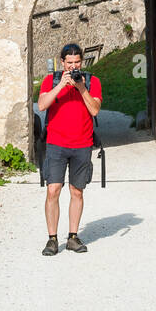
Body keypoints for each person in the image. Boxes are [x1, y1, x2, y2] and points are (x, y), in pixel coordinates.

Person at [37, 43, 102, 256]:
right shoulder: (51, 80)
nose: (73, 67)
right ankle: (52, 239)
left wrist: (81, 87)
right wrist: (61, 86)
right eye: (69, 63)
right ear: (62, 63)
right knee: (53, 189)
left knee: (77, 191)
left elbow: (94, 109)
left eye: (77, 63)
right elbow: (42, 105)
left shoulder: (92, 82)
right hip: (56, 143)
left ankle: (73, 237)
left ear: (81, 62)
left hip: (82, 143)